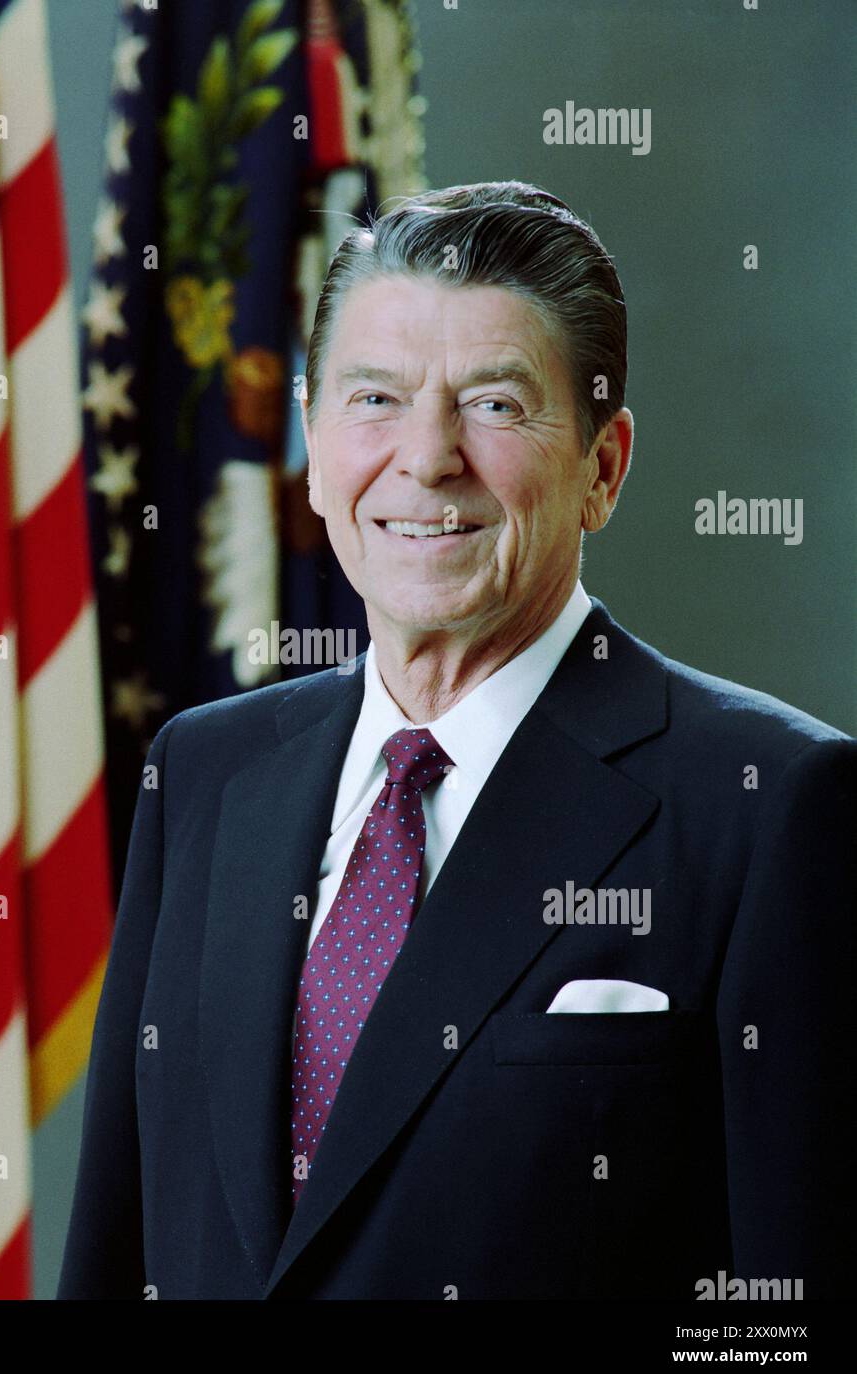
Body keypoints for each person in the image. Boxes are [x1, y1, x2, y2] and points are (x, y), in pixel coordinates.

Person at [58, 182, 855, 1300]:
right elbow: (113, 1255)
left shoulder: (770, 804)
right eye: (374, 397)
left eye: (493, 404)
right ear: (312, 435)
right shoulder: (201, 772)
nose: (426, 459)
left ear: (605, 465)